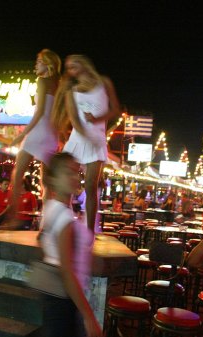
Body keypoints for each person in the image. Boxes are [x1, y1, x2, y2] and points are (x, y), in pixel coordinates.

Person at [38, 152, 101, 337]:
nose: (75, 178)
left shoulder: (50, 207)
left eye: (77, 172)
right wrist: (89, 316)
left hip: (52, 296)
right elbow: (67, 271)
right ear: (53, 180)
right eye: (68, 173)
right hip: (64, 298)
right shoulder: (65, 217)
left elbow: (40, 238)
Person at [52, 54, 121, 233]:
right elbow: (74, 120)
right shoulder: (71, 92)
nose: (71, 68)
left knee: (91, 185)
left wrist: (97, 118)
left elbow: (115, 110)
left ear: (84, 63)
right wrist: (85, 136)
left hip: (97, 139)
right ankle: (60, 224)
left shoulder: (104, 82)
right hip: (79, 138)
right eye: (68, 67)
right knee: (65, 184)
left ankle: (90, 230)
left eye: (74, 64)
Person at [1, 49, 61, 226]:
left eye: (39, 61)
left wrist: (22, 135)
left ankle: (12, 217)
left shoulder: (42, 81)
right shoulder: (59, 84)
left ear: (48, 64)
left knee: (17, 174)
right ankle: (47, 224)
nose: (36, 64)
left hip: (38, 131)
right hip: (52, 134)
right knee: (47, 183)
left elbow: (39, 112)